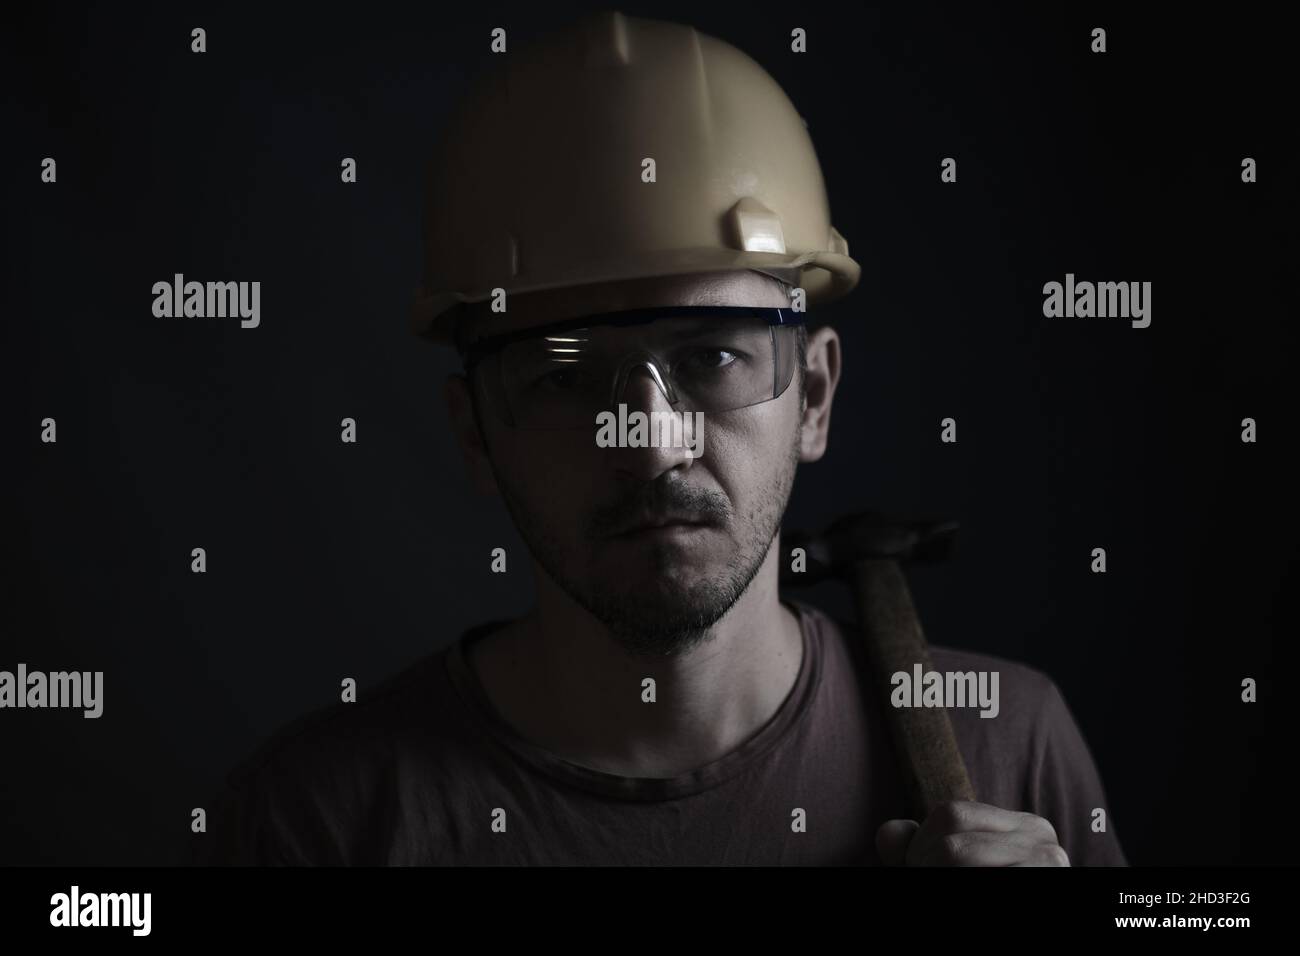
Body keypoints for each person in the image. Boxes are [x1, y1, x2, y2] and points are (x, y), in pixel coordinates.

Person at [202, 10, 1126, 867]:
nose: (649, 443)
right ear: (475, 432)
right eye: (564, 377)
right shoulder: (317, 824)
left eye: (713, 357)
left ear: (812, 394)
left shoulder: (1014, 746)